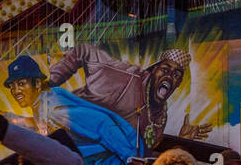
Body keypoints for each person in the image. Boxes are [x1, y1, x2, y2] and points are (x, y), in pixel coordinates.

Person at [0, 54, 139, 165]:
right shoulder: (42, 104)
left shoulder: (56, 110)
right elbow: (35, 126)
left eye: (21, 84)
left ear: (38, 83)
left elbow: (102, 123)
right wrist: (2, 115)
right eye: (12, 86)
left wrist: (132, 162)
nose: (16, 91)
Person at [47, 43, 209, 148]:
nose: (169, 76)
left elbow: (143, 153)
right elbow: (84, 51)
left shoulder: (160, 116)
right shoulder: (125, 77)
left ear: (179, 83)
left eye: (176, 75)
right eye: (165, 70)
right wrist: (51, 81)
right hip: (65, 138)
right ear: (153, 70)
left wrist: (181, 141)